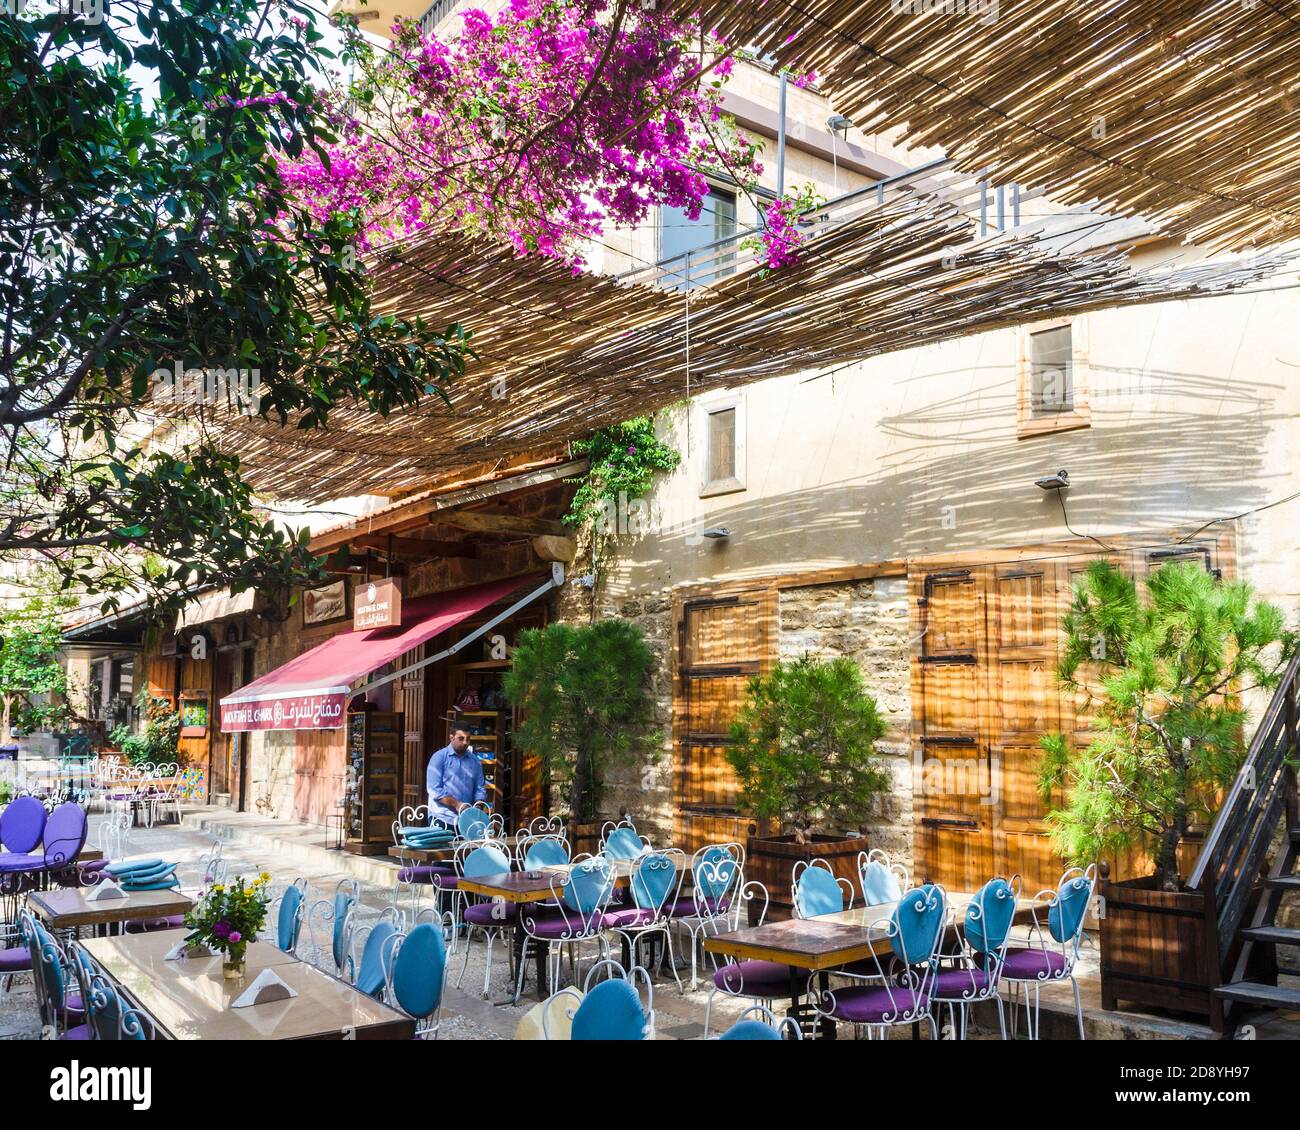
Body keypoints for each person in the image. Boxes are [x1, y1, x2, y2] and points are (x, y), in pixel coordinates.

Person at [425, 725, 487, 827]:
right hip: (442, 817)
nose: (465, 743)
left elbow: (480, 787)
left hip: (468, 818)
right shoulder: (439, 757)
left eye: (468, 739)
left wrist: (478, 806)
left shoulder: (475, 760)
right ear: (451, 738)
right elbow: (434, 790)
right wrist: (457, 804)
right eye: (461, 738)